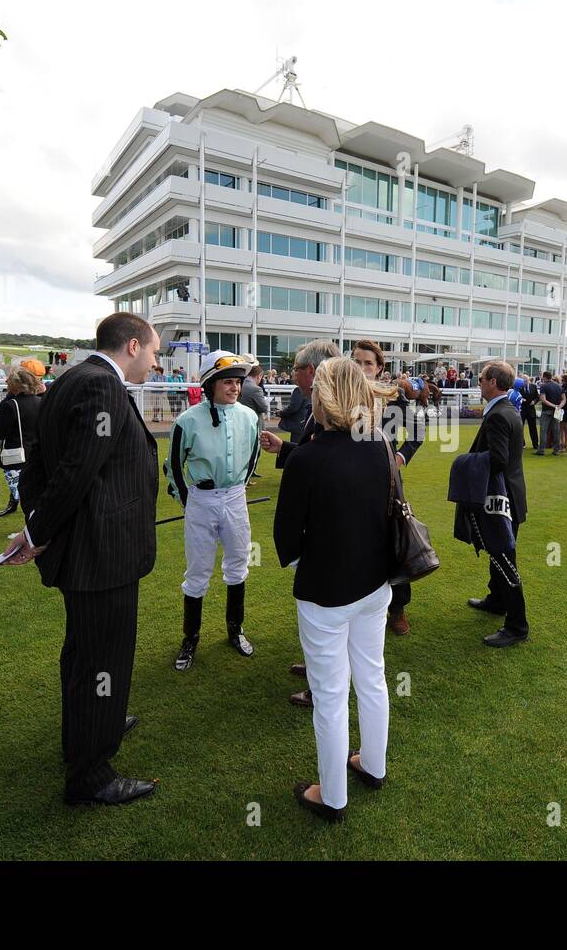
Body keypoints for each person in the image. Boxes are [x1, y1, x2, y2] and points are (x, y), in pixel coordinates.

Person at [8, 312, 162, 806]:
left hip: (92, 550)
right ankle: (91, 774)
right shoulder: (102, 388)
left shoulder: (73, 378)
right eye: (155, 353)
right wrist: (36, 531)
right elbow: (74, 471)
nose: (156, 363)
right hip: (102, 556)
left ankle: (96, 727)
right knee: (102, 661)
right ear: (133, 345)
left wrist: (38, 523)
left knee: (86, 656)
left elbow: (40, 464)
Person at [274, 357, 399, 823]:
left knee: (330, 695)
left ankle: (333, 796)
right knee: (371, 677)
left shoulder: (308, 457)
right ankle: (373, 764)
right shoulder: (379, 445)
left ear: (322, 396)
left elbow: (286, 539)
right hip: (375, 584)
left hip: (328, 592)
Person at [166, 350, 262, 671]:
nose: (234, 388)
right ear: (210, 384)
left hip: (235, 498)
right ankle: (190, 638)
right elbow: (174, 467)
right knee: (197, 572)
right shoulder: (187, 420)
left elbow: (253, 459)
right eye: (227, 382)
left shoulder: (249, 417)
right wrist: (188, 500)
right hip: (201, 500)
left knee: (238, 565)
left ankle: (236, 630)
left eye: (237, 382)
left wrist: (237, 488)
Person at [259, 339, 342, 708]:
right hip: (326, 525)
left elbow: (325, 459)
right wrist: (286, 449)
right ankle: (315, 670)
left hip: (330, 529)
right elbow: (315, 452)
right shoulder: (316, 406)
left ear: (312, 371)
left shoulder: (337, 410)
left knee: (327, 612)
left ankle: (320, 686)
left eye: (296, 368)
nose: (292, 374)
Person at [352, 339, 421, 635]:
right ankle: (354, 603)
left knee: (394, 539)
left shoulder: (393, 398)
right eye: (357, 361)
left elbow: (417, 433)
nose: (362, 367)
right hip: (350, 480)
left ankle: (398, 608)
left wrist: (399, 457)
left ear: (380, 368)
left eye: (368, 362)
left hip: (387, 481)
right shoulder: (342, 396)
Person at [465, 360, 529, 647]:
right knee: (497, 551)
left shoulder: (499, 415)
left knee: (504, 560)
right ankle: (497, 600)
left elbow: (499, 460)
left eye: (480, 379)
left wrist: (465, 463)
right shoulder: (508, 409)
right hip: (510, 495)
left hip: (503, 499)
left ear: (492, 382)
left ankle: (517, 626)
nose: (479, 383)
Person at [0, 367, 43, 518]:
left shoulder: (10, 405)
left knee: (24, 495)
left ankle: (29, 531)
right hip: (37, 453)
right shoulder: (42, 401)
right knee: (34, 493)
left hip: (16, 456)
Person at [536, 370, 565, 456]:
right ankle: (556, 450)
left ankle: (541, 450)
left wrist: (553, 406)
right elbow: (564, 399)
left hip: (546, 411)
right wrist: (559, 406)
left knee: (543, 430)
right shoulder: (559, 386)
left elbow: (543, 399)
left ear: (544, 377)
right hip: (556, 411)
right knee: (556, 431)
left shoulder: (543, 386)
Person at [520, 373, 540, 450]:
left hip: (531, 410)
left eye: (526, 380)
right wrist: (520, 399)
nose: (525, 382)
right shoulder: (519, 388)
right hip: (522, 410)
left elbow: (537, 397)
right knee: (520, 427)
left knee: (533, 427)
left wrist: (534, 402)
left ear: (529, 380)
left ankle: (535, 444)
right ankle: (522, 444)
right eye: (523, 381)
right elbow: (516, 396)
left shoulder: (533, 387)